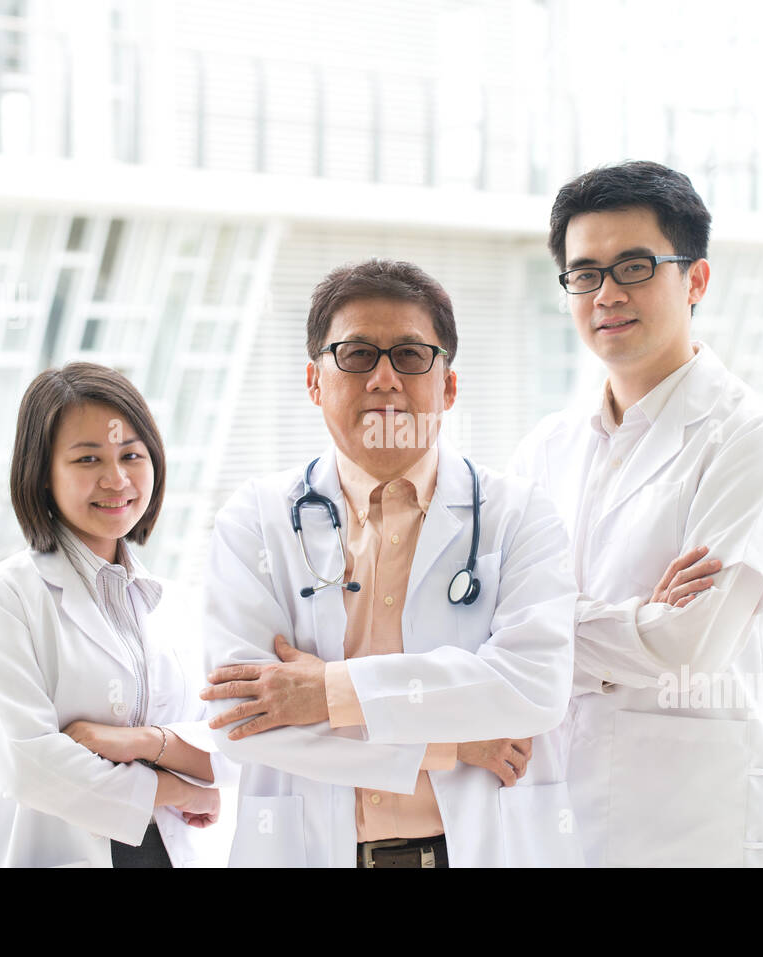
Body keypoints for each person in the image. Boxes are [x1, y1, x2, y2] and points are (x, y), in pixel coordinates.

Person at [198, 259, 580, 867]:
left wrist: (326, 690)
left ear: (448, 386)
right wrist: (449, 743)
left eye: (410, 355)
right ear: (314, 381)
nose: (383, 379)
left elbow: (532, 689)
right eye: (355, 355)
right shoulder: (256, 519)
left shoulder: (519, 515)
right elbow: (238, 719)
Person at [510, 160, 763, 867]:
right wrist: (635, 622)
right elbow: (500, 632)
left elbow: (692, 645)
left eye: (634, 266)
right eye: (584, 273)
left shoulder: (748, 440)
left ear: (695, 279)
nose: (606, 293)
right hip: (558, 820)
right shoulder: (543, 451)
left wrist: (548, 626)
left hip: (699, 826)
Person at [0, 362, 228, 867]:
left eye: (131, 455)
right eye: (87, 459)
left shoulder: (172, 603)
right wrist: (181, 791)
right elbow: (28, 765)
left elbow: (230, 748)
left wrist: (142, 742)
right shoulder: (4, 599)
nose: (116, 478)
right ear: (42, 474)